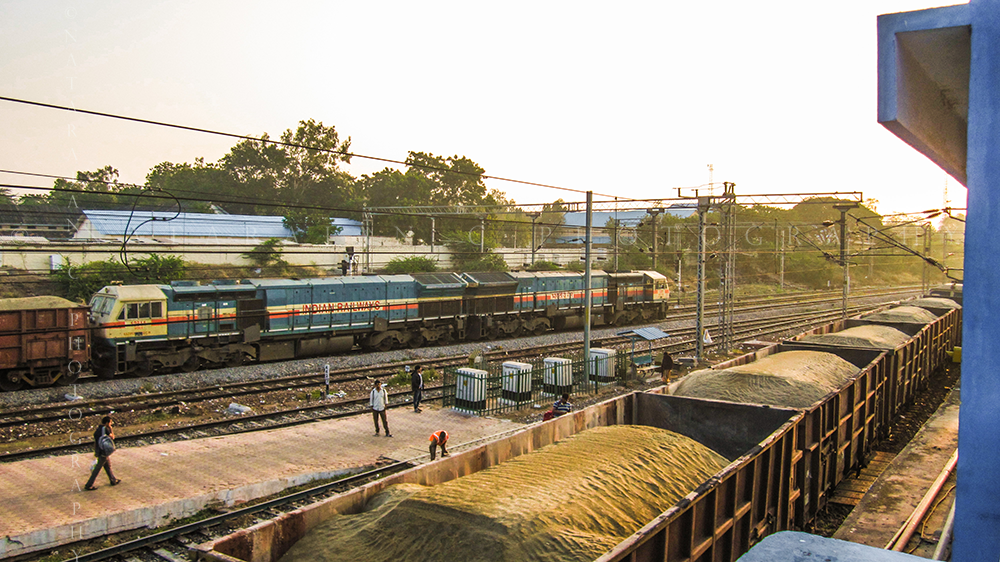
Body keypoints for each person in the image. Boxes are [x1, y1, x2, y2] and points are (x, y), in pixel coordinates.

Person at [84, 415, 121, 490]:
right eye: (110, 423)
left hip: (99, 449)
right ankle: (89, 485)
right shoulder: (106, 429)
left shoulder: (98, 429)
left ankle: (113, 480)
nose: (111, 424)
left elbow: (96, 440)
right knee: (97, 468)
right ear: (107, 423)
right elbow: (112, 437)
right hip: (104, 451)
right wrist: (111, 429)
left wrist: (96, 451)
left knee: (107, 466)